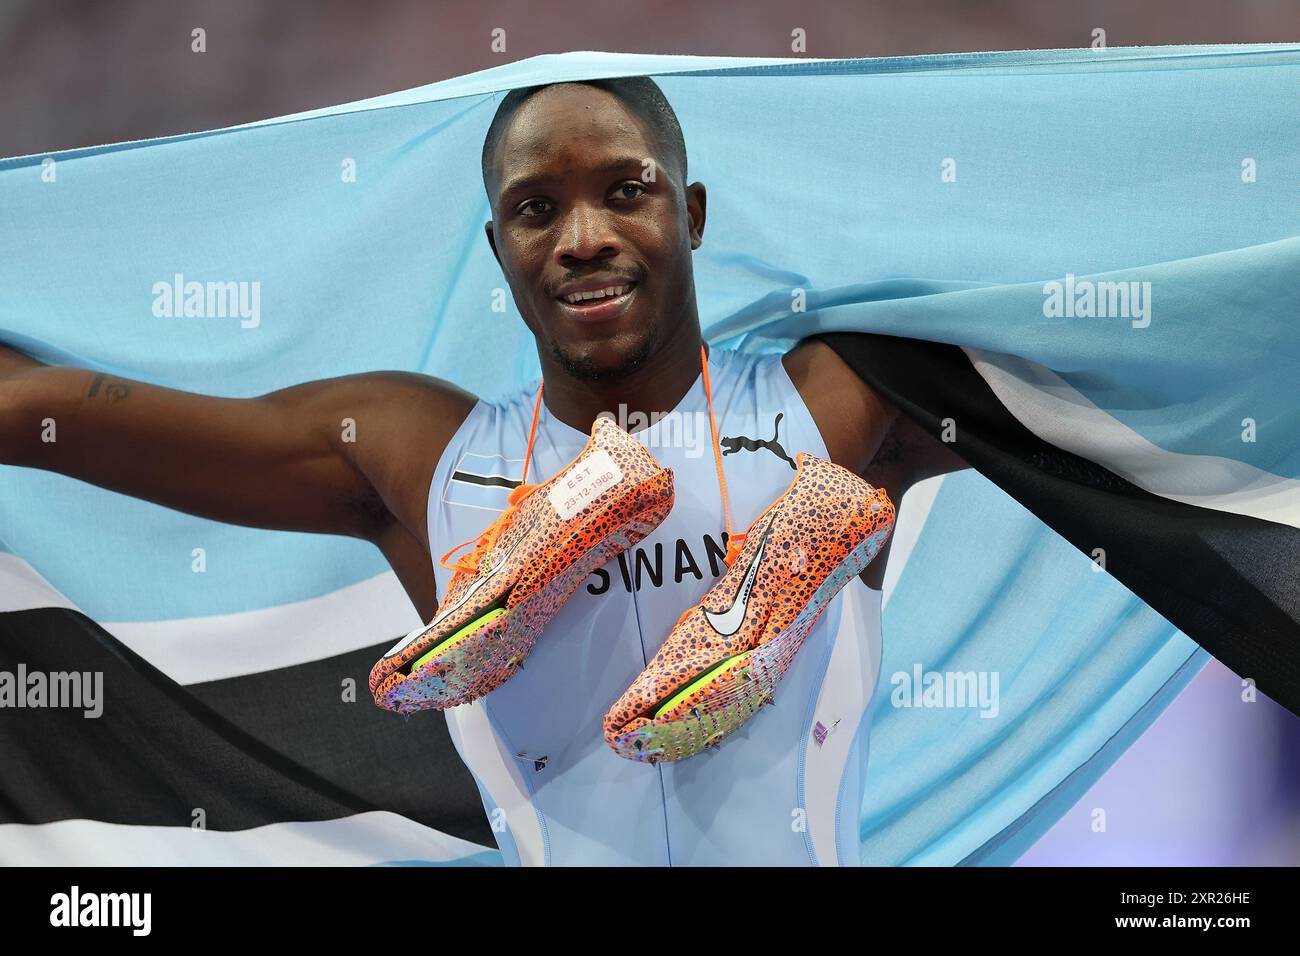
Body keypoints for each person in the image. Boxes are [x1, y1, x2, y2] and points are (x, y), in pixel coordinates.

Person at [0, 76, 966, 865]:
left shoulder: (842, 395)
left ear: (692, 212)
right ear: (498, 246)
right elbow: (57, 416)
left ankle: (782, 542)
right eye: (536, 209)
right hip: (512, 489)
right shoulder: (409, 449)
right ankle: (559, 532)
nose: (583, 236)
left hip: (797, 461)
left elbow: (1052, 355)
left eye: (627, 189)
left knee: (885, 402)